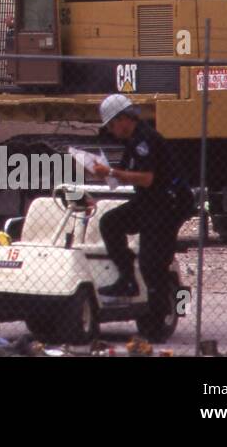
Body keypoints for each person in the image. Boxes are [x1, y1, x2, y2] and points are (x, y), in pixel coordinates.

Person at [90, 93, 194, 315]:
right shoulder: (132, 142)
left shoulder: (146, 140)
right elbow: (128, 174)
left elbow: (146, 178)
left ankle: (174, 310)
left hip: (169, 204)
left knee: (152, 263)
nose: (110, 131)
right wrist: (106, 174)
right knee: (111, 222)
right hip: (150, 201)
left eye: (111, 125)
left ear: (123, 119)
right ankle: (128, 279)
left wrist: (110, 172)